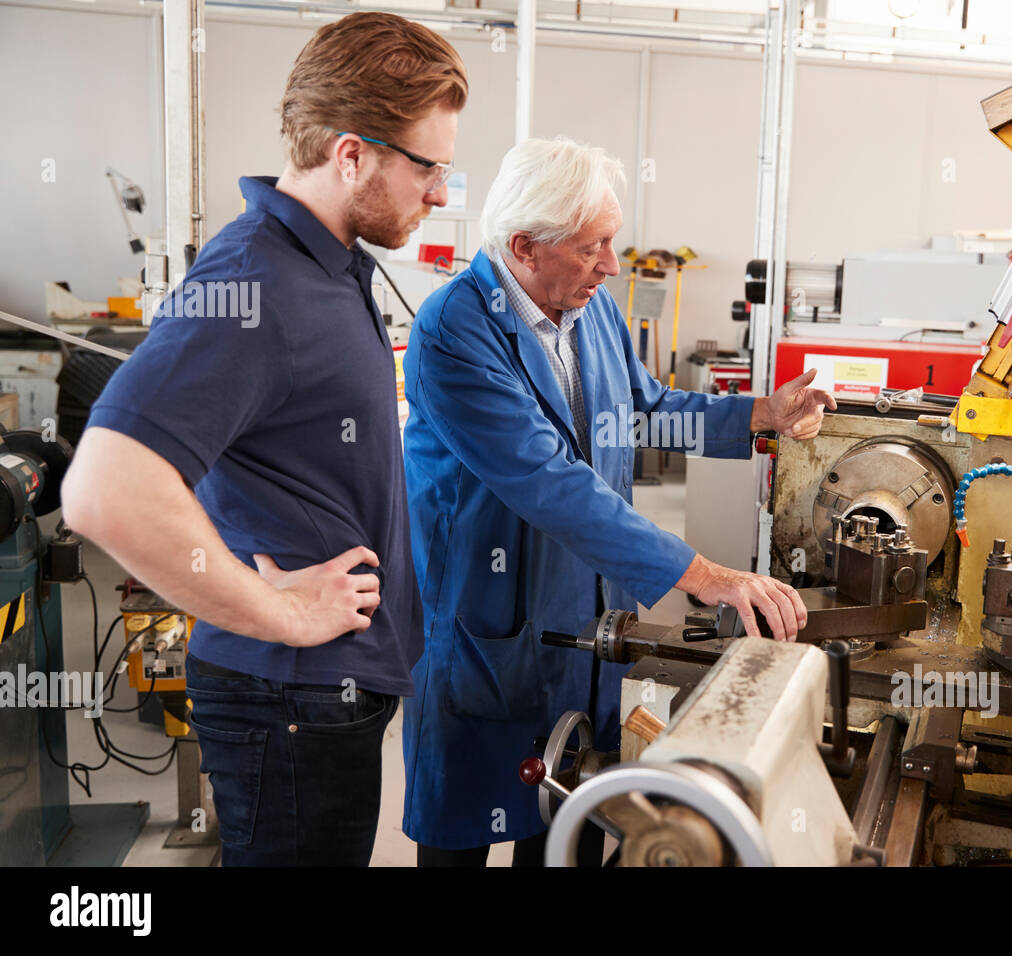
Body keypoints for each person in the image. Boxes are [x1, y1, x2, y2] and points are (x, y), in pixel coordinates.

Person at [60, 12, 468, 866]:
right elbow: (103, 488)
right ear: (350, 153)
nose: (439, 193)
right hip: (290, 703)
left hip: (329, 696)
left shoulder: (327, 264)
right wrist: (275, 608)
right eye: (429, 167)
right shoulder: (258, 280)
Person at [402, 136, 836, 866]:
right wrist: (710, 577)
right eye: (592, 246)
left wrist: (762, 414)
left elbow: (644, 410)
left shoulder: (590, 308)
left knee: (567, 817)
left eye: (612, 242)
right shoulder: (453, 331)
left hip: (585, 609)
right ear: (524, 247)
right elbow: (549, 481)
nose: (610, 264)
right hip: (490, 622)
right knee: (469, 824)